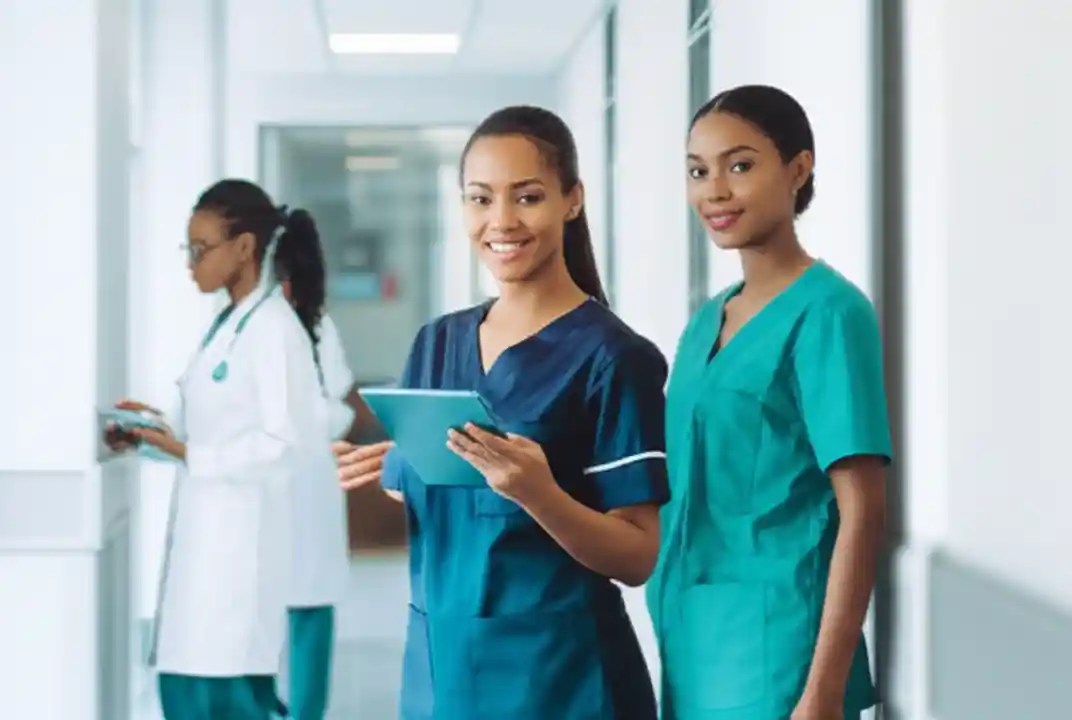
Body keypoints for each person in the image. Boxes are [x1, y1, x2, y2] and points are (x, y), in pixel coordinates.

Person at [335, 105, 669, 719]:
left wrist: (538, 492)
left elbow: (638, 555)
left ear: (573, 200)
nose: (501, 221)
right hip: (442, 671)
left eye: (528, 196)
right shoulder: (435, 344)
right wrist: (397, 467)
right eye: (480, 199)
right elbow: (454, 502)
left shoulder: (614, 358)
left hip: (561, 679)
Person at [649, 84, 891, 720]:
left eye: (740, 165)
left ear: (798, 168)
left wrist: (822, 691)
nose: (715, 191)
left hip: (779, 649)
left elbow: (862, 511)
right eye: (698, 171)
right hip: (689, 634)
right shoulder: (707, 322)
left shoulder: (831, 314)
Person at [107, 179, 329, 720]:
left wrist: (187, 453)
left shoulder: (275, 330)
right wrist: (149, 431)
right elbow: (206, 435)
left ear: (246, 247)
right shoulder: (225, 327)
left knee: (227, 699)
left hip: (240, 557)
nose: (191, 264)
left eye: (201, 249)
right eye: (189, 250)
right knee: (187, 692)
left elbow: (282, 447)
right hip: (203, 551)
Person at [271, 253, 358, 720]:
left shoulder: (315, 327)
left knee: (307, 608)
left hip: (305, 482)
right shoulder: (242, 330)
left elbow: (335, 399)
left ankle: (303, 714)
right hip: (261, 485)